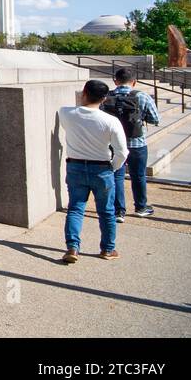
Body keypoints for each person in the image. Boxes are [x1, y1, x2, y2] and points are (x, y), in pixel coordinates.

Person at [57, 79, 128, 264]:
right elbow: (122, 152)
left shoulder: (66, 113)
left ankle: (72, 247)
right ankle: (107, 249)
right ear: (104, 98)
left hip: (75, 166)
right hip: (102, 168)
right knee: (106, 211)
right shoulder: (111, 121)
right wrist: (113, 167)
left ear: (84, 93)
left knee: (75, 208)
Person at [106, 66, 159, 220]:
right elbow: (155, 119)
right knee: (139, 176)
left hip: (114, 144)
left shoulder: (107, 96)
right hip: (137, 143)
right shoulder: (142, 96)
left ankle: (118, 211)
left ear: (115, 81)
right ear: (134, 82)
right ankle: (141, 207)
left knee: (117, 176)